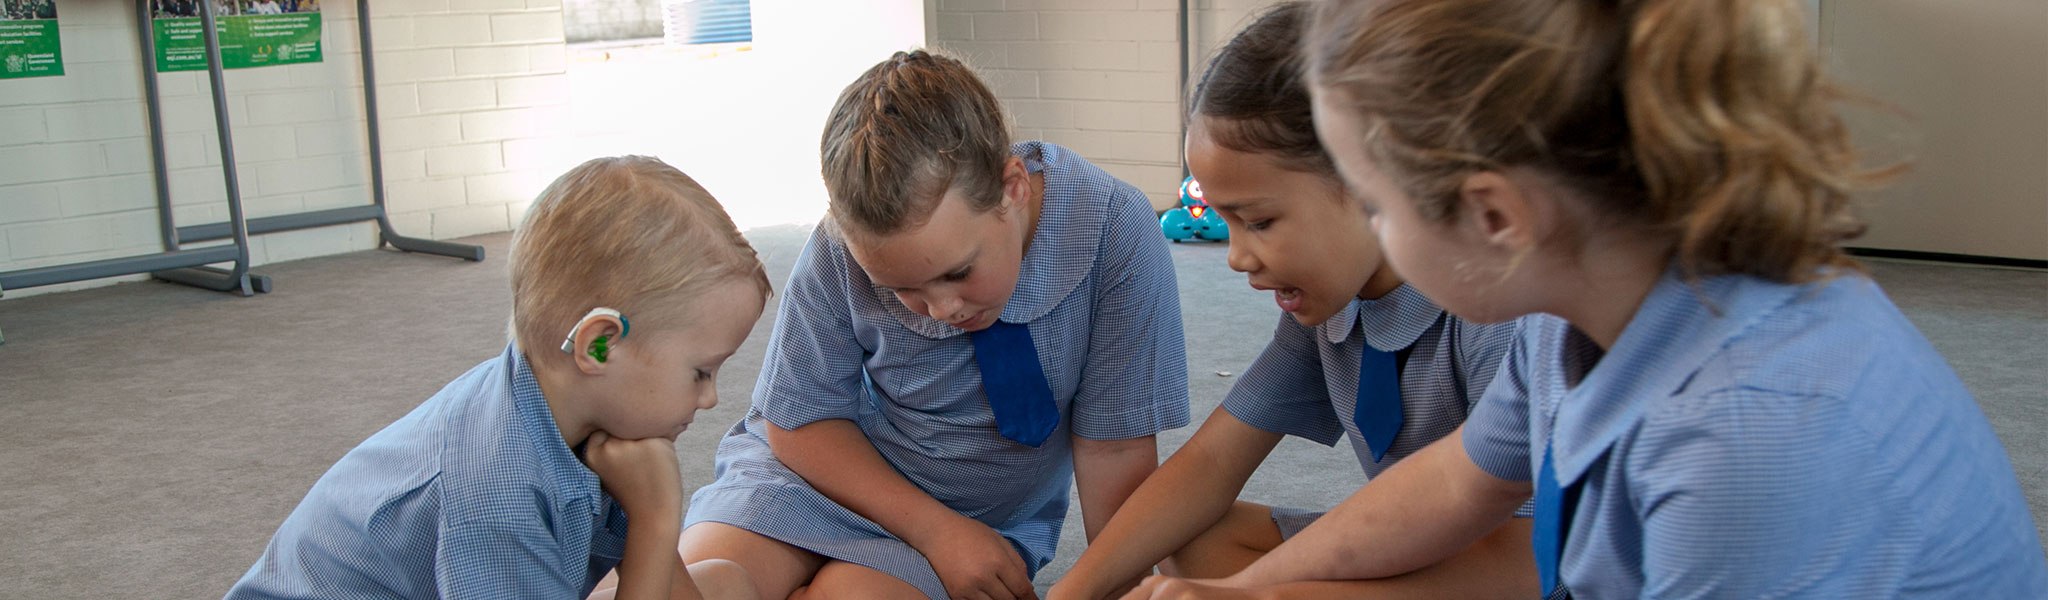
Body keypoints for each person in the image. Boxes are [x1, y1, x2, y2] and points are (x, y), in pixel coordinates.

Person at [1127, 0, 2048, 597]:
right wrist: (1255, 594)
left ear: (1493, 215)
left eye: (1375, 200)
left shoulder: (1744, 432)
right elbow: (1454, 484)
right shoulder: (1577, 312)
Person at [1049, 4, 1537, 599]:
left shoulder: (1500, 317)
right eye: (1225, 221)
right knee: (1192, 536)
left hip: (1519, 574)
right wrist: (1072, 593)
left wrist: (1262, 595)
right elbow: (1211, 463)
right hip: (1431, 546)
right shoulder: (1327, 310)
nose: (1235, 256)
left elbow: (1526, 564)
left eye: (1259, 220)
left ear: (1365, 178)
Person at [679, 49, 1191, 600]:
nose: (944, 309)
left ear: (1012, 187)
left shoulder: (1115, 230)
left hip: (969, 522)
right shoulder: (839, 244)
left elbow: (1114, 451)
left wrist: (1115, 589)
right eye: (901, 289)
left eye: (958, 272)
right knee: (705, 581)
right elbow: (799, 418)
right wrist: (930, 527)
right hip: (810, 482)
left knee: (849, 595)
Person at [223, 156, 770, 600]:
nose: (710, 398)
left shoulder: (582, 413)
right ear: (598, 343)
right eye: (700, 371)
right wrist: (654, 518)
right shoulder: (493, 491)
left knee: (727, 583)